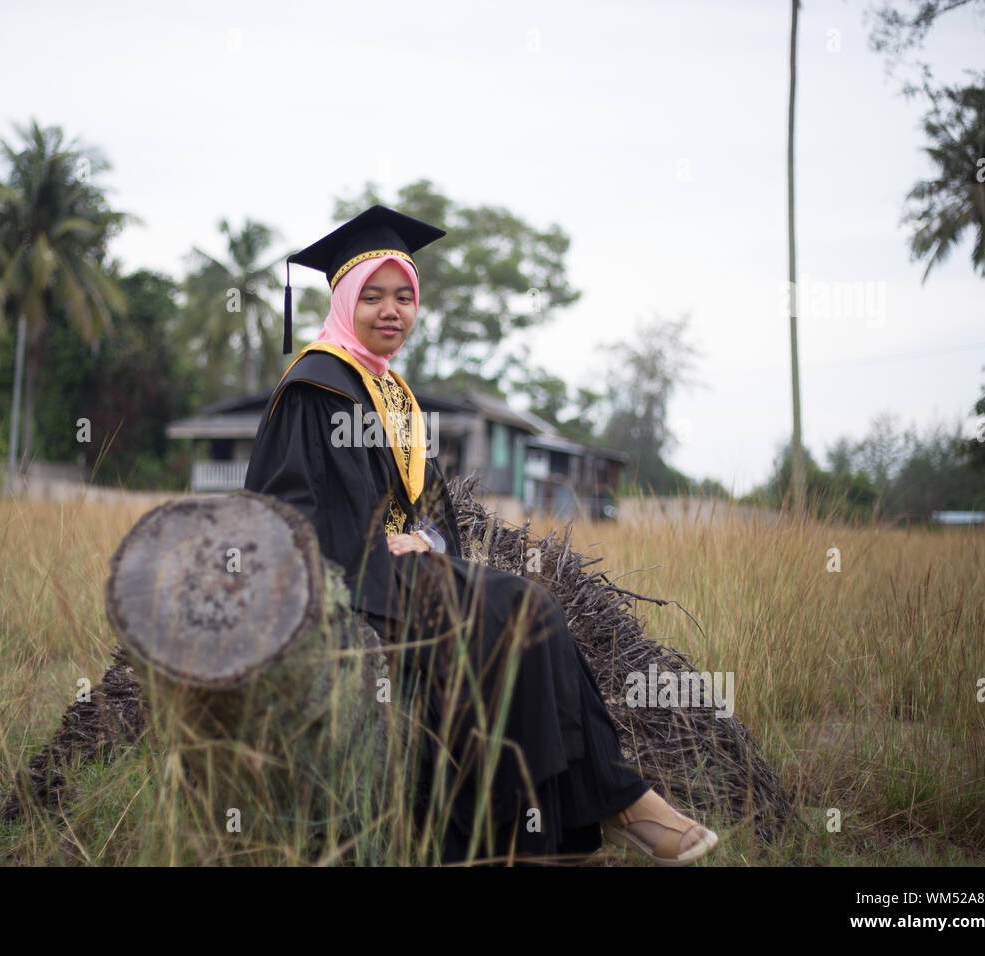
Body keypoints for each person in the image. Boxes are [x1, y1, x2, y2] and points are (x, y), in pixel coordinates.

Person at [243, 204, 719, 866]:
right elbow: (287, 513)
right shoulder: (316, 389)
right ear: (343, 300)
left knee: (535, 612)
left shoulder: (396, 397)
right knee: (524, 608)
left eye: (404, 297)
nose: (391, 311)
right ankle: (610, 802)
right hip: (345, 583)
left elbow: (431, 510)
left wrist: (426, 544)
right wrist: (382, 548)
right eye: (372, 296)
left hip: (403, 574)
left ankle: (602, 803)